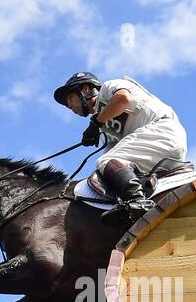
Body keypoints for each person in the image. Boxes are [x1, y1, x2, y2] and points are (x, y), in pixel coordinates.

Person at [52, 71, 189, 222]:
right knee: (105, 168)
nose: (69, 105)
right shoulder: (106, 129)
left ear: (85, 89)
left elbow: (123, 99)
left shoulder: (108, 87)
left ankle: (138, 202)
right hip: (159, 145)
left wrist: (96, 123)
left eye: (70, 98)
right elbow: (110, 164)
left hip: (162, 130)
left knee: (106, 161)